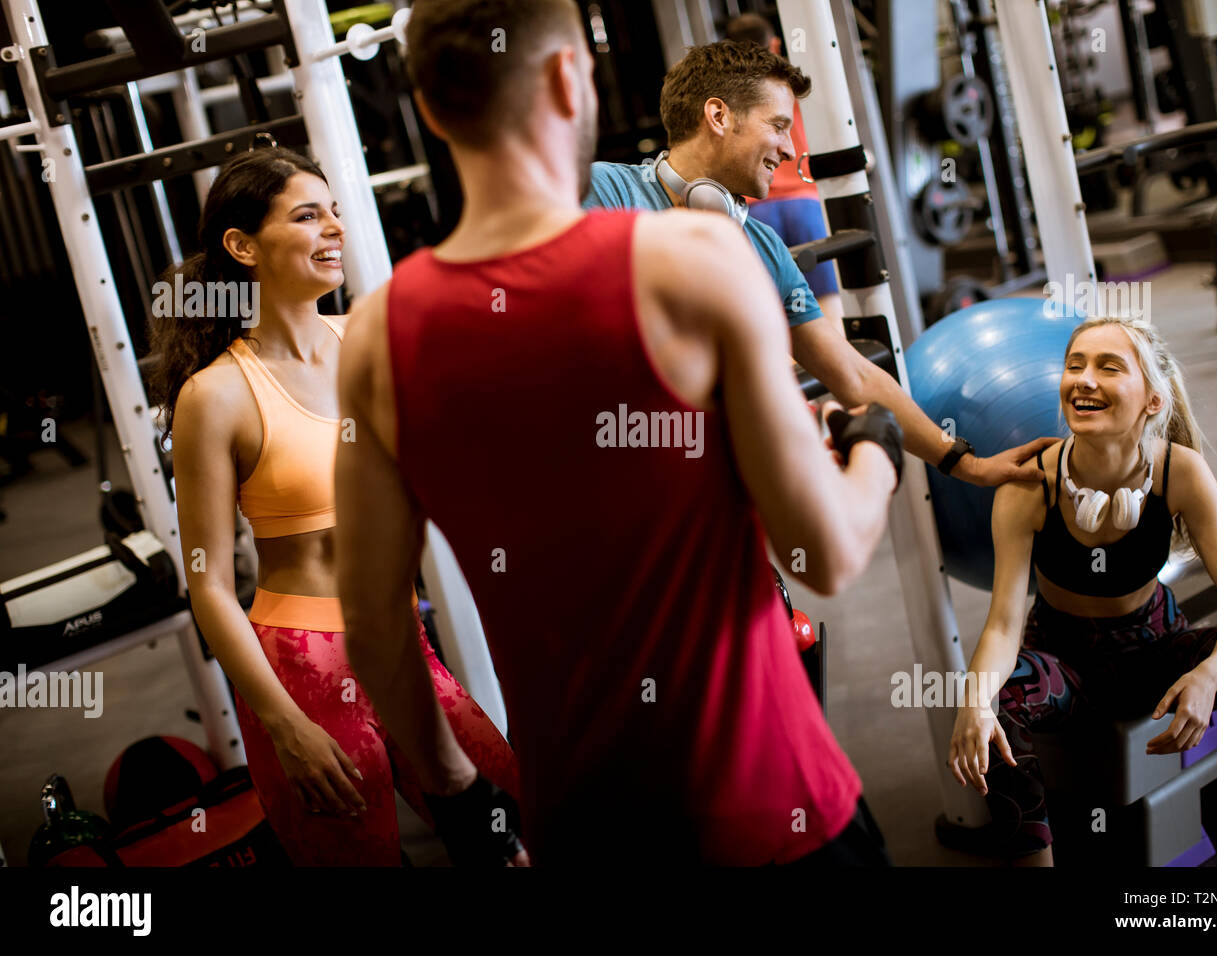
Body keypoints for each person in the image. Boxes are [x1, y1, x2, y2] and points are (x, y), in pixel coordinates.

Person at [337, 0, 902, 866]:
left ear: (430, 110)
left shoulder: (377, 336)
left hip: (584, 828)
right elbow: (822, 554)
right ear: (571, 77)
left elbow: (375, 627)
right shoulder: (694, 263)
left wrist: (458, 797)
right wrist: (875, 454)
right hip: (769, 809)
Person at [152, 147, 524, 866]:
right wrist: (284, 724)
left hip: (402, 641)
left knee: (508, 824)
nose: (335, 229)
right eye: (306, 215)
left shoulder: (364, 337)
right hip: (301, 662)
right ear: (241, 246)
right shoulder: (217, 396)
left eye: (334, 212)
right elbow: (208, 582)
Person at [582, 39, 1055, 490]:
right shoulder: (602, 192)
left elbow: (854, 375)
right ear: (718, 115)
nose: (790, 149)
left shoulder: (761, 245)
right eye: (778, 125)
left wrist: (964, 462)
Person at [948, 315, 1217, 866]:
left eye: (1109, 367)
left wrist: (1207, 677)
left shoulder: (1180, 473)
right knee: (996, 703)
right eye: (1074, 366)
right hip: (1065, 663)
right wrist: (975, 698)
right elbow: (1002, 624)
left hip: (1157, 648)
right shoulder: (1027, 486)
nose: (1084, 379)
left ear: (1152, 402)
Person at [723, 12, 841, 332]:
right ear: (774, 44)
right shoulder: (793, 85)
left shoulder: (726, 98)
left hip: (754, 213)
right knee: (829, 313)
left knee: (778, 322)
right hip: (805, 207)